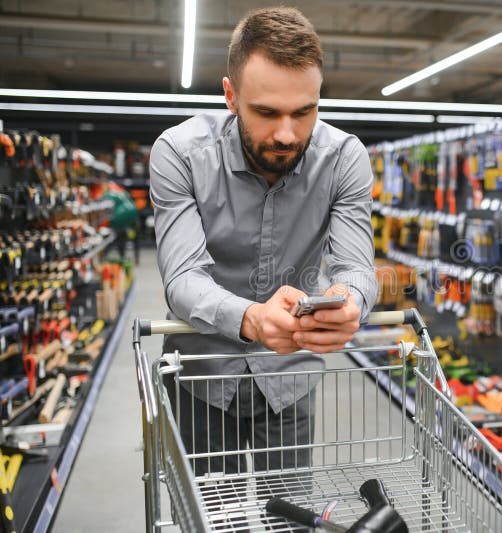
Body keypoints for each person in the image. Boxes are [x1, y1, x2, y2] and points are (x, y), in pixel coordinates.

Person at [149, 5, 377, 496]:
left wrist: (352, 298)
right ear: (230, 96)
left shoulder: (344, 159)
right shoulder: (179, 154)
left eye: (305, 111)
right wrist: (252, 317)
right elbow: (182, 278)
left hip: (290, 381)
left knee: (291, 513)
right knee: (210, 517)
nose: (287, 134)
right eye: (267, 112)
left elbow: (356, 265)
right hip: (201, 380)